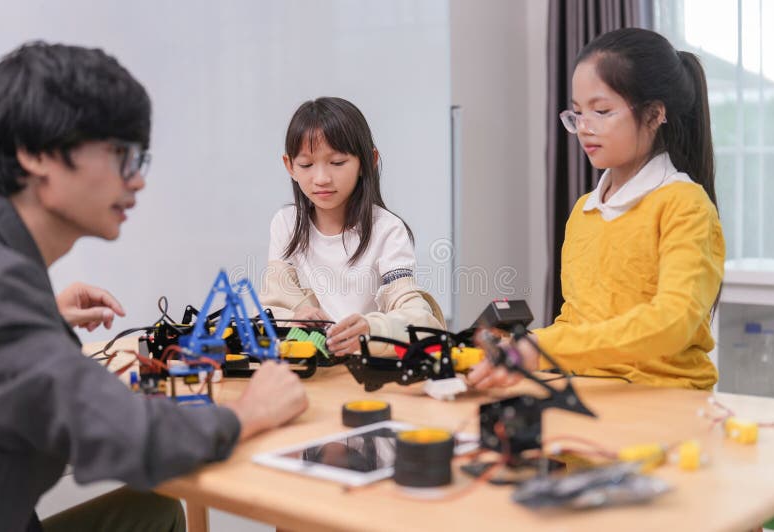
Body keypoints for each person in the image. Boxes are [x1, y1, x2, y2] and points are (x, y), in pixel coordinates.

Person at [0, 42, 308, 532]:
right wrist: (248, 414)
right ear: (35, 154)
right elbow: (133, 437)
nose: (137, 182)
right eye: (120, 155)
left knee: (153, 510)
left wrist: (41, 318)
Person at [470, 28, 725, 391]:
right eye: (576, 113)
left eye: (601, 111)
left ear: (654, 115)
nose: (584, 128)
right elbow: (576, 322)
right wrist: (517, 352)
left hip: (665, 398)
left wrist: (543, 348)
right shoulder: (584, 211)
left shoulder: (684, 205)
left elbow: (673, 322)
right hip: (592, 392)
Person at [260, 97, 443, 356]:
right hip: (315, 372)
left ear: (368, 161)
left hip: (364, 370)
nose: (321, 178)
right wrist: (297, 314)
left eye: (337, 163)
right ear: (290, 166)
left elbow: (418, 320)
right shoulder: (285, 224)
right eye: (306, 165)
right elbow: (273, 308)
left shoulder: (387, 230)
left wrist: (370, 328)